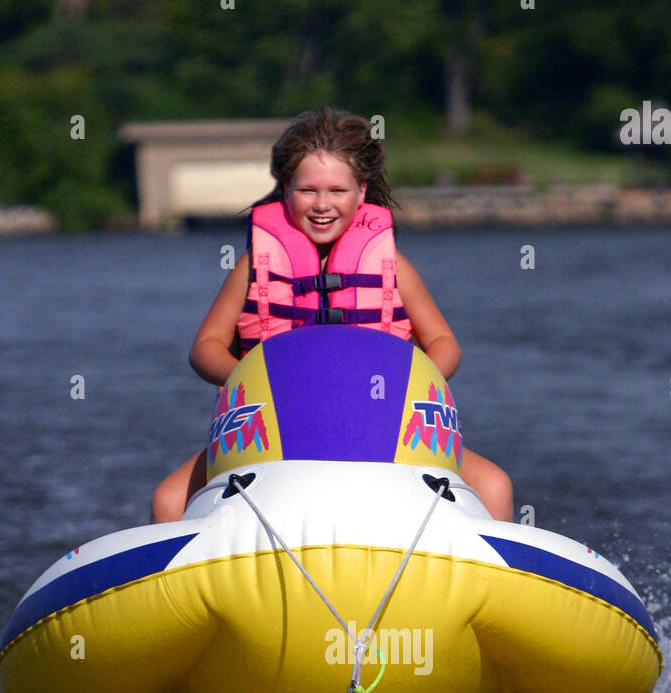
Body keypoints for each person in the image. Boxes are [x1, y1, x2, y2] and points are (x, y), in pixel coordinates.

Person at [151, 107, 514, 524]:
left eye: (337, 191)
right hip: (272, 423)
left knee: (495, 486)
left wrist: (410, 385)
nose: (322, 205)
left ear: (361, 191)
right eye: (308, 190)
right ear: (286, 188)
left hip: (382, 419)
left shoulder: (391, 265)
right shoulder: (254, 266)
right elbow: (205, 347)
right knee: (168, 499)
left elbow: (444, 344)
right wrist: (247, 379)